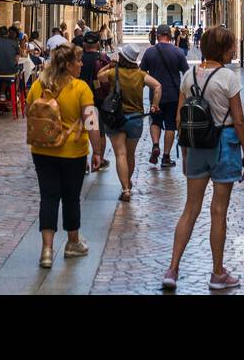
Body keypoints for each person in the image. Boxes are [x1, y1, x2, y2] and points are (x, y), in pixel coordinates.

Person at [162, 26, 244, 292]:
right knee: (219, 211)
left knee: (190, 208)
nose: (234, 51)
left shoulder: (189, 76)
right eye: (231, 47)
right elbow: (240, 120)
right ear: (222, 50)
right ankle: (218, 273)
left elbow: (179, 118)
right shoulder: (228, 78)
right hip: (224, 143)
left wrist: (185, 151)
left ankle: (172, 269)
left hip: (196, 145)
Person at [27, 44, 99, 268]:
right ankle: (73, 243)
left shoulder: (39, 85)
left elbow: (30, 110)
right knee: (71, 197)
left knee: (48, 197)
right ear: (68, 65)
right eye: (78, 61)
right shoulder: (80, 88)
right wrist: (97, 151)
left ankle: (46, 251)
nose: (81, 64)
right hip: (73, 152)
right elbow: (91, 122)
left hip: (42, 150)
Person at [97, 45, 161, 201]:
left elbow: (99, 77)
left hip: (116, 118)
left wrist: (109, 65)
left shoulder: (113, 73)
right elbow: (158, 86)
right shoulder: (141, 75)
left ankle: (125, 189)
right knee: (130, 154)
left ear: (122, 58)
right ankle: (128, 182)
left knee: (120, 154)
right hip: (135, 119)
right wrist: (155, 105)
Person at [142, 23, 189, 167]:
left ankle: (156, 145)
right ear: (170, 36)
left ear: (157, 36)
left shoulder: (149, 52)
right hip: (173, 95)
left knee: (155, 121)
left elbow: (141, 73)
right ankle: (166, 157)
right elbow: (186, 73)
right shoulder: (178, 52)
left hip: (155, 96)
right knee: (170, 125)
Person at [78, 31, 112, 171]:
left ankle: (83, 162)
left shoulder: (78, 59)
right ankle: (99, 159)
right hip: (99, 100)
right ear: (98, 44)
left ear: (84, 44)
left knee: (83, 130)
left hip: (80, 98)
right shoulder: (103, 58)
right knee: (99, 131)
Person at [0, 26, 22, 106]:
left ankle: (2, 93)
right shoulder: (14, 43)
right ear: (7, 33)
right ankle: (14, 93)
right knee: (18, 73)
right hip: (11, 71)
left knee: (5, 74)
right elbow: (17, 59)